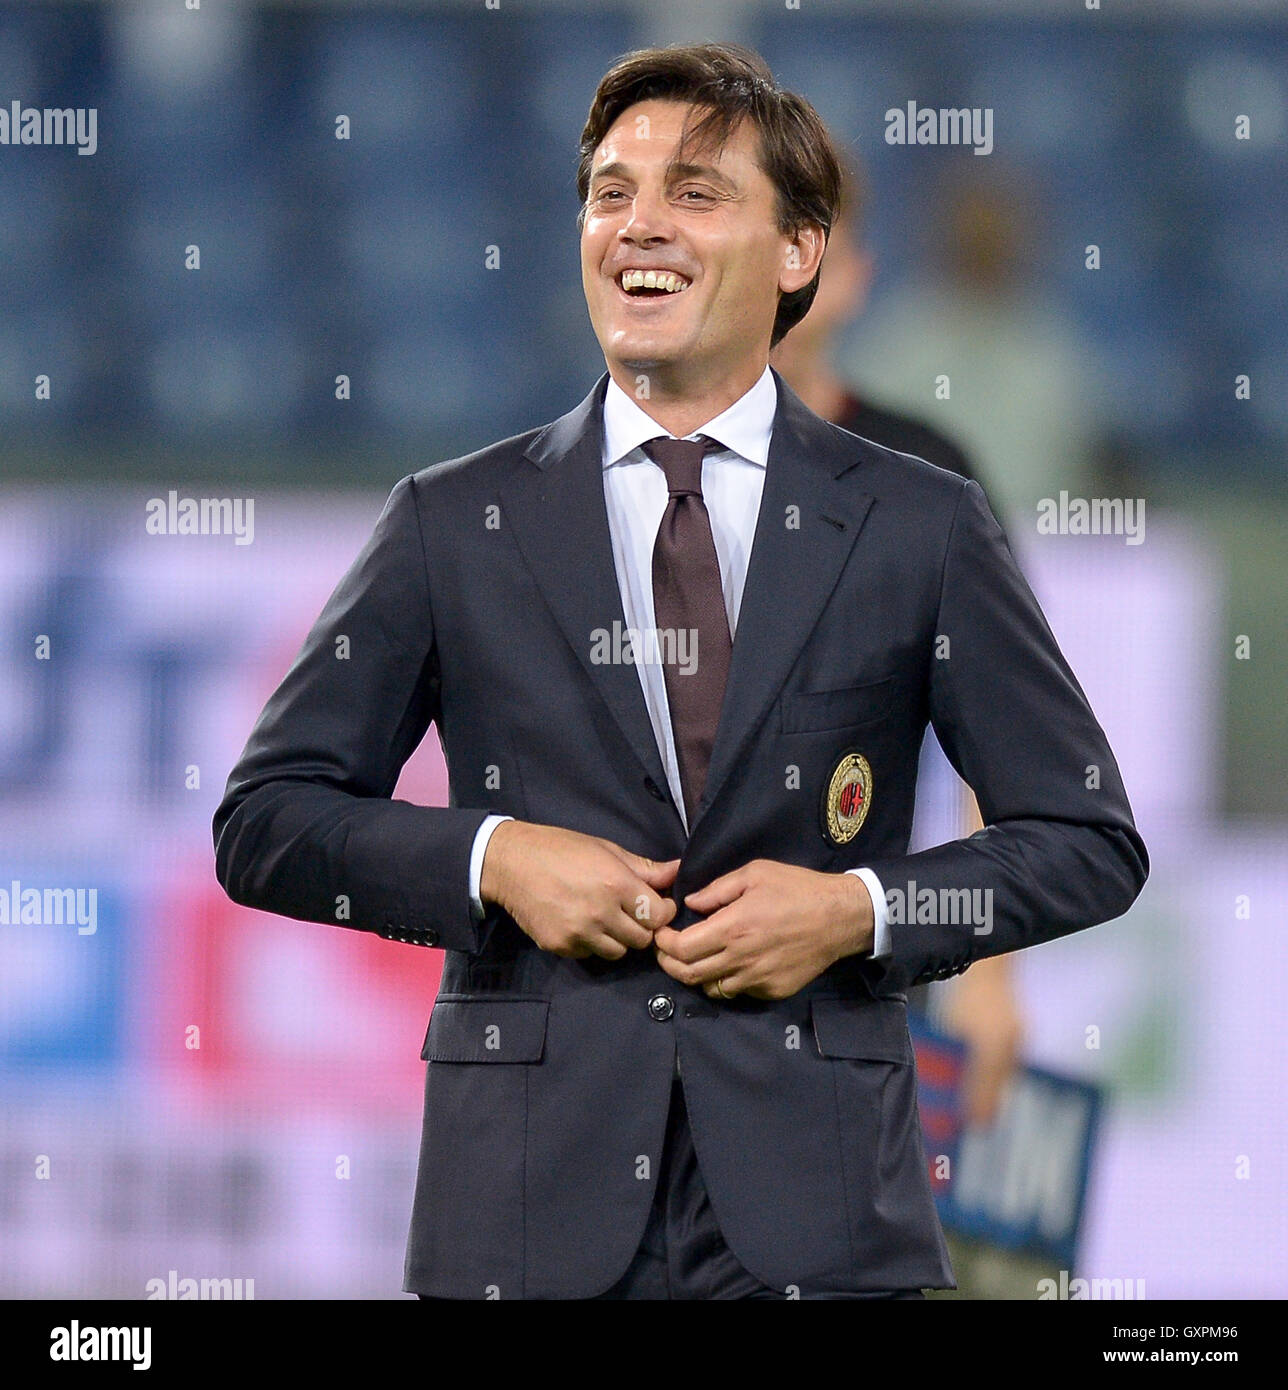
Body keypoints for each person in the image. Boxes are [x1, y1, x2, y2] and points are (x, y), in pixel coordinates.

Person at [213, 43, 1147, 1301]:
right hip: (525, 1222)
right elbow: (266, 822)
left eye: (696, 191)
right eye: (610, 192)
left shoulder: (919, 521)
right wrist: (495, 858)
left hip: (822, 1226)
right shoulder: (452, 521)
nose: (639, 222)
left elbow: (1085, 835)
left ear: (799, 252)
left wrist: (856, 910)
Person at [770, 165, 1024, 1130]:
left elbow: (997, 748)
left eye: (808, 246)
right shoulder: (632, 463)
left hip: (863, 969)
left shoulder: (928, 478)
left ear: (850, 275)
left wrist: (988, 975)